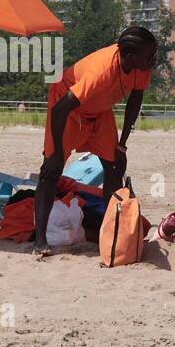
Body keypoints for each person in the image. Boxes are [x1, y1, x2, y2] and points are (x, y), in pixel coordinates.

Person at [32, 27, 158, 256]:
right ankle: (40, 240)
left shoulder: (141, 65)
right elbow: (60, 109)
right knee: (51, 170)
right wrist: (58, 153)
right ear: (129, 56)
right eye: (150, 56)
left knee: (114, 166)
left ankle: (109, 233)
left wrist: (122, 144)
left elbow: (135, 100)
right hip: (68, 111)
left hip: (99, 111)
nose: (153, 59)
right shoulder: (100, 72)